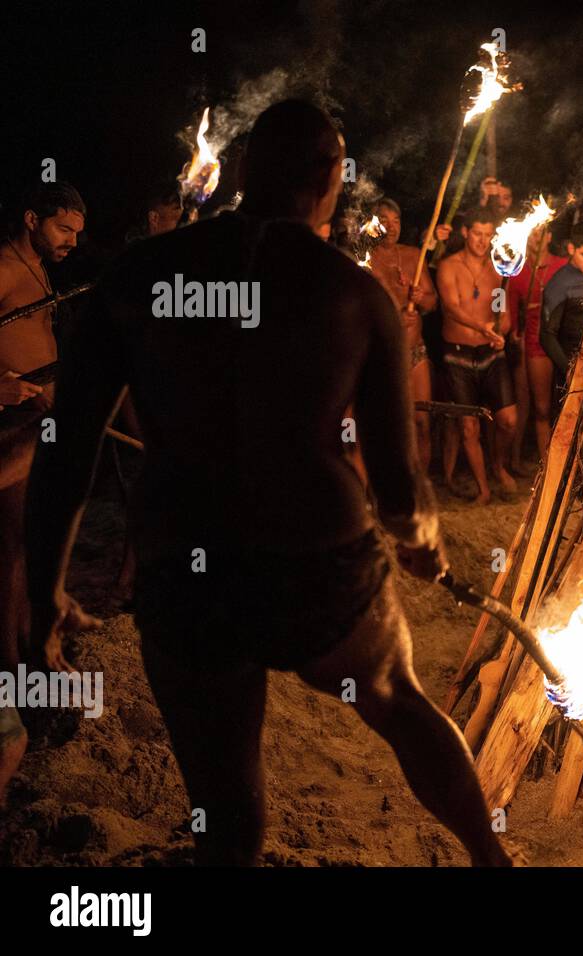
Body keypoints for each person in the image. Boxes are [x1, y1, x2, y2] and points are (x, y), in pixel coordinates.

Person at [24, 100, 512, 866]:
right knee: (395, 699)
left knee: (228, 815)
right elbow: (398, 483)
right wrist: (422, 544)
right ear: (329, 177)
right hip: (319, 562)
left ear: (243, 171)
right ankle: (490, 856)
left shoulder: (141, 275)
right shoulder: (354, 295)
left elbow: (67, 449)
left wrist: (46, 589)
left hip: (189, 570)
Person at [0, 182, 102, 802]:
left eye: (78, 234)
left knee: (26, 554)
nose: (71, 242)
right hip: (5, 436)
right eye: (64, 229)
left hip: (33, 429)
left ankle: (26, 666)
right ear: (32, 217)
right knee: (11, 555)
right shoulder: (5, 266)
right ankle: (11, 680)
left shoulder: (39, 265)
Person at [436, 207, 518, 504]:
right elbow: (452, 307)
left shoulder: (498, 270)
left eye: (488, 235)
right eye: (478, 234)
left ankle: (498, 464)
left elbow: (503, 313)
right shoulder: (449, 266)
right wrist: (483, 328)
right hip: (457, 354)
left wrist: (500, 333)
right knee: (468, 425)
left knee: (508, 419)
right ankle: (483, 488)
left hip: (489, 354)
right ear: (466, 233)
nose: (483, 241)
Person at [369, 197, 440, 472]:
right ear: (374, 225)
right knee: (387, 423)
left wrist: (419, 298)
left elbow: (433, 304)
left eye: (396, 220)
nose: (392, 226)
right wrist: (395, 315)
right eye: (384, 220)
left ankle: (419, 486)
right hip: (382, 355)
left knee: (422, 420)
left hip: (415, 351)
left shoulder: (414, 255)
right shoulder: (366, 260)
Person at [507, 221, 568, 462]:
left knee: (563, 403)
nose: (536, 239)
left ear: (550, 235)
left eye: (541, 233)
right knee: (540, 407)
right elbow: (509, 311)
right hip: (535, 342)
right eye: (532, 234)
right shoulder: (518, 271)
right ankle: (545, 465)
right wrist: (514, 333)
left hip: (563, 341)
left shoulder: (563, 266)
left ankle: (564, 462)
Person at [539, 224, 583, 377]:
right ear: (571, 249)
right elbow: (547, 335)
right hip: (571, 363)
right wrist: (568, 369)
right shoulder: (559, 283)